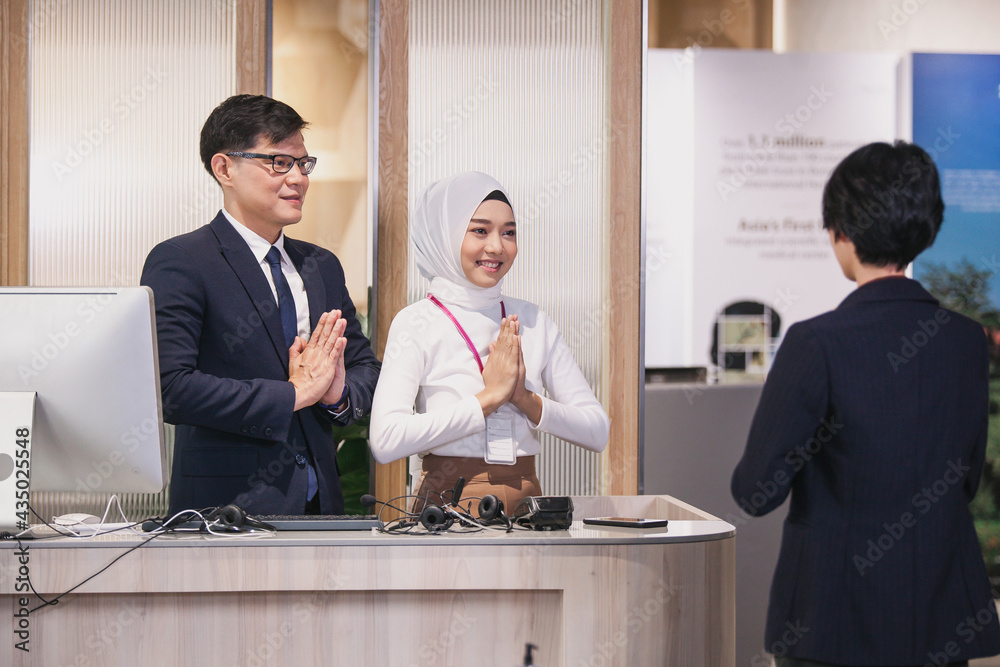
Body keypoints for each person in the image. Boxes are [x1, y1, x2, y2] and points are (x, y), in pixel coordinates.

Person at [731, 141, 1000, 666]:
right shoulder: (967, 341)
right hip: (941, 617)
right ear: (927, 227)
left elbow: (756, 490)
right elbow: (965, 481)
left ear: (842, 232)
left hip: (831, 618)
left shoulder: (817, 343)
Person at [141, 94, 380, 517]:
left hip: (322, 508)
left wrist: (336, 392)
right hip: (227, 510)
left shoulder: (321, 266)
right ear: (224, 167)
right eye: (278, 162)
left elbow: (366, 369)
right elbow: (170, 388)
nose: (298, 179)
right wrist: (290, 395)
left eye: (303, 164)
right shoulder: (183, 261)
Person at [369, 171, 609, 515]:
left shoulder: (532, 318)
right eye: (480, 230)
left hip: (527, 502)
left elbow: (597, 430)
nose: (497, 246)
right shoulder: (416, 321)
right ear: (445, 235)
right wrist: (488, 399)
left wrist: (524, 399)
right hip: (447, 504)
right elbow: (386, 440)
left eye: (509, 232)